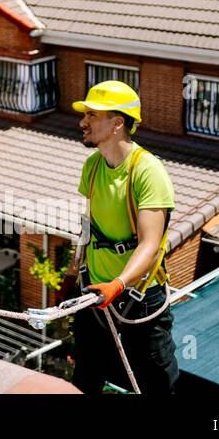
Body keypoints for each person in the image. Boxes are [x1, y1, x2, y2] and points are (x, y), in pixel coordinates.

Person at [60, 80, 179, 393]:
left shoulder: (147, 171)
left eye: (92, 115)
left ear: (117, 123)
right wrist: (73, 272)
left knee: (155, 382)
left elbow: (150, 245)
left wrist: (119, 284)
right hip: (96, 290)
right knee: (86, 376)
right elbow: (87, 226)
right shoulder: (93, 166)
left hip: (138, 295)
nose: (82, 122)